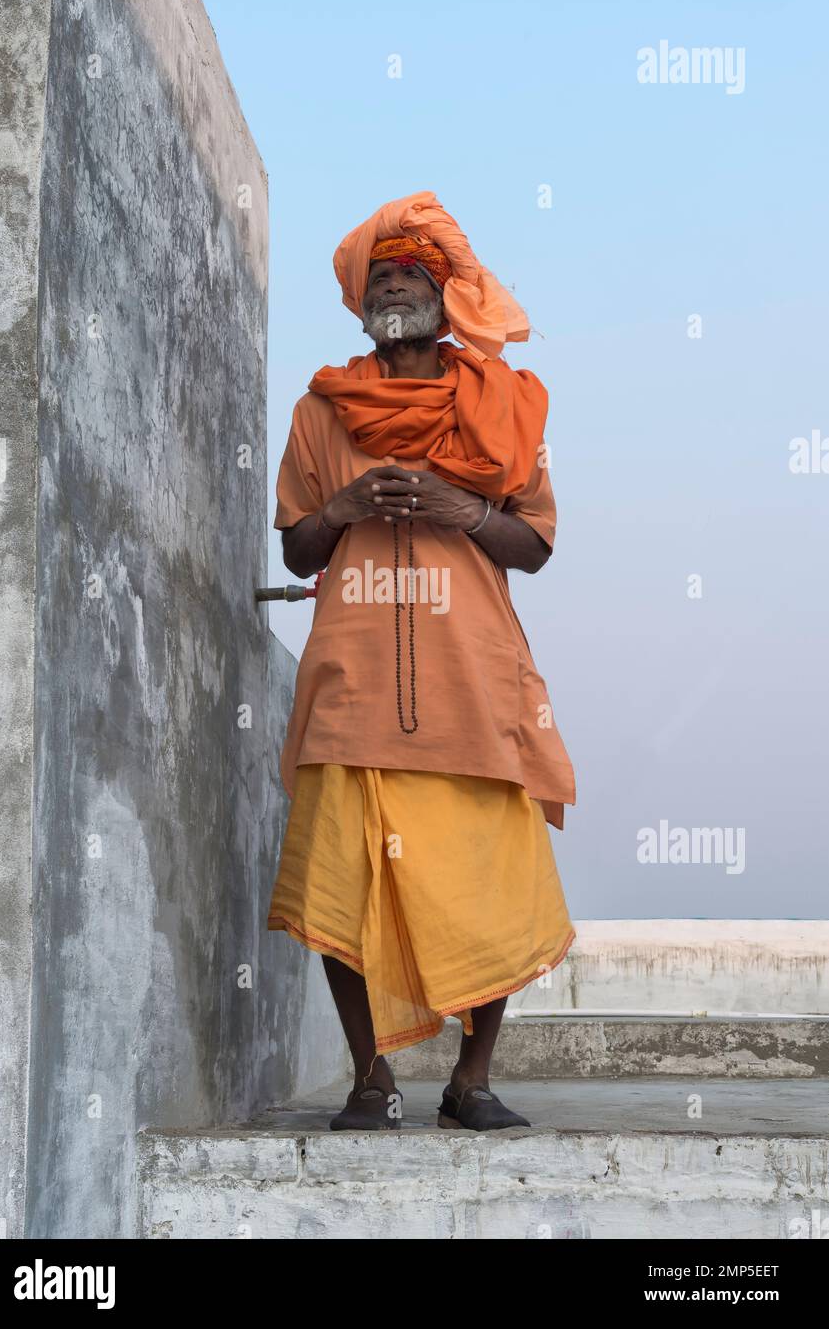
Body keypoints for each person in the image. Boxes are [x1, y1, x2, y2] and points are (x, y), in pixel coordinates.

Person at [267, 192, 576, 1132]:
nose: (394, 287)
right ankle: (371, 1081)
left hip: (472, 679)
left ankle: (470, 1082)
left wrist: (463, 513)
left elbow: (534, 544)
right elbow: (297, 550)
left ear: (446, 301)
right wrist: (348, 503)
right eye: (381, 278)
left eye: (412, 277)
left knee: (492, 881)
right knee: (342, 878)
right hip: (351, 684)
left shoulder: (503, 405)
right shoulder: (323, 410)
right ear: (360, 302)